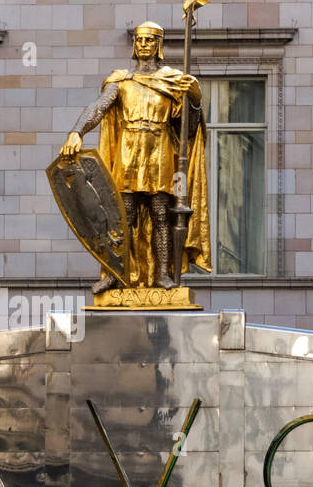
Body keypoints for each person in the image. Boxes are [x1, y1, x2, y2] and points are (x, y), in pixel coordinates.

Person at [59, 21, 211, 291]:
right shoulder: (121, 81)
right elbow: (98, 108)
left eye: (149, 40)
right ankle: (114, 272)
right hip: (129, 151)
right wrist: (76, 132)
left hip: (160, 149)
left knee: (161, 214)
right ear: (134, 45)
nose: (143, 45)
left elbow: (188, 131)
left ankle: (163, 274)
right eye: (140, 40)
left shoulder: (174, 82)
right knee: (122, 216)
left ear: (158, 45)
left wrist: (196, 100)